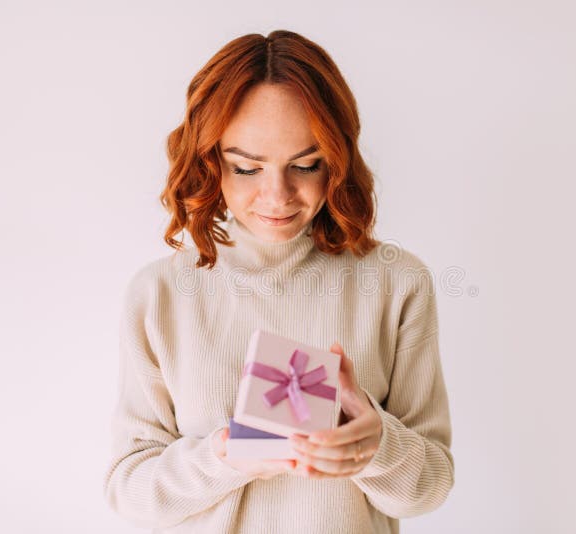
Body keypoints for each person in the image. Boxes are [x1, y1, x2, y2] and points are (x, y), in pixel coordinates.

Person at [102, 29, 454, 533]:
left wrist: (378, 446)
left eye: (306, 165)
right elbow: (128, 489)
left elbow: (432, 485)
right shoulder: (159, 294)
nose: (278, 196)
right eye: (246, 168)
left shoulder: (397, 282)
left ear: (337, 159)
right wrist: (225, 456)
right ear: (210, 161)